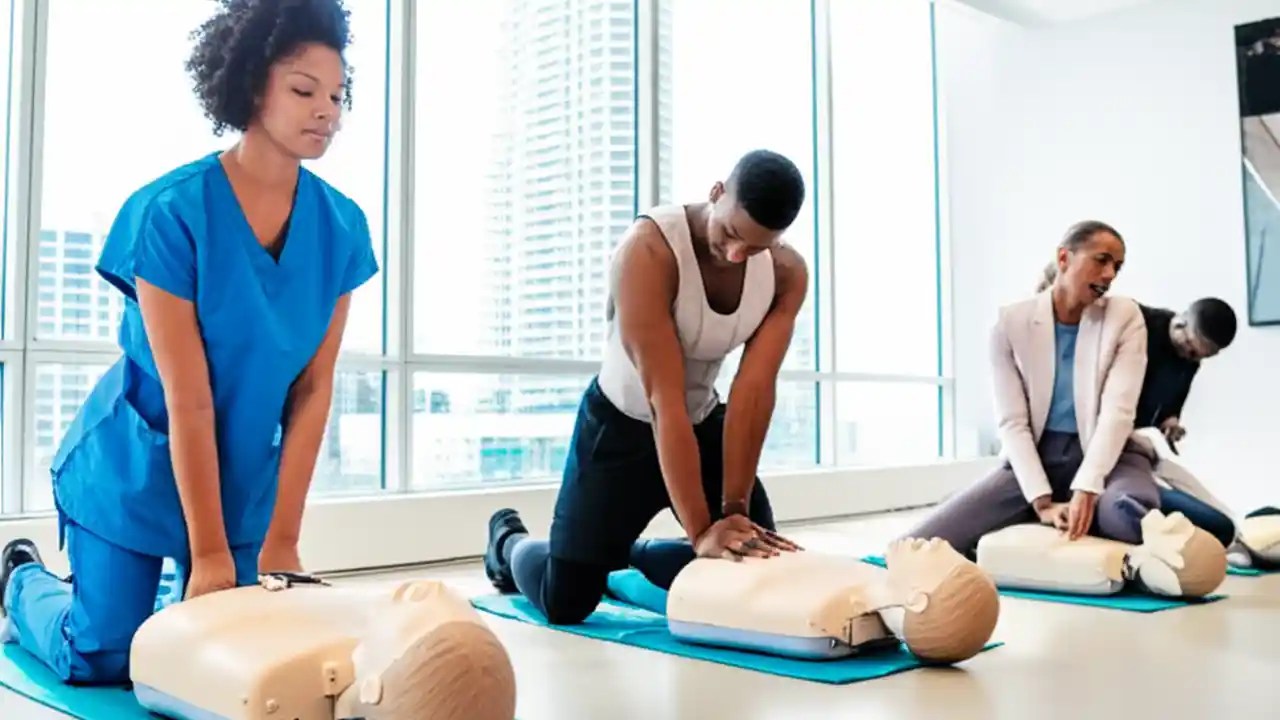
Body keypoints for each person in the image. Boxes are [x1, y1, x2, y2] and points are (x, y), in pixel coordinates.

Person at [0, 0, 376, 685]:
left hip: (240, 480)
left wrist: (282, 540)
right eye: (303, 89)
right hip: (133, 467)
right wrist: (207, 557)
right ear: (251, 85)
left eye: (337, 94)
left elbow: (314, 388)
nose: (327, 110)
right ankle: (22, 578)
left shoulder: (343, 228)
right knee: (104, 656)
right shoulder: (169, 213)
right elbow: (189, 397)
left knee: (227, 656)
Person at [482, 149, 808, 625]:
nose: (738, 254)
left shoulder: (786, 273)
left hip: (700, 423)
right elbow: (664, 400)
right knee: (567, 601)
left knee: (752, 565)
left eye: (756, 247)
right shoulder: (649, 250)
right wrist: (701, 533)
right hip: (620, 425)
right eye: (732, 233)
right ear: (717, 193)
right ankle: (507, 541)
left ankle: (625, 550)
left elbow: (753, 394)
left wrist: (732, 511)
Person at [903, 220, 1155, 558]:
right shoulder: (1011, 323)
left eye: (1117, 267)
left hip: (1110, 457)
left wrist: (1087, 486)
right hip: (1037, 458)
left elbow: (1117, 413)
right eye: (1101, 259)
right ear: (1064, 258)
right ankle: (1031, 513)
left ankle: (1147, 494)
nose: (1110, 274)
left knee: (1126, 518)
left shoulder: (1125, 316)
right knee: (917, 546)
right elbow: (1012, 422)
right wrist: (1042, 502)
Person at [1037, 266, 1242, 548]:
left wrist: (1170, 425)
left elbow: (1168, 409)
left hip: (1128, 454)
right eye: (1191, 348)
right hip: (1089, 440)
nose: (1192, 357)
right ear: (1181, 322)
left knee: (1221, 527)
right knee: (1129, 511)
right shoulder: (1132, 320)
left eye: (1201, 356)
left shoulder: (1189, 364)